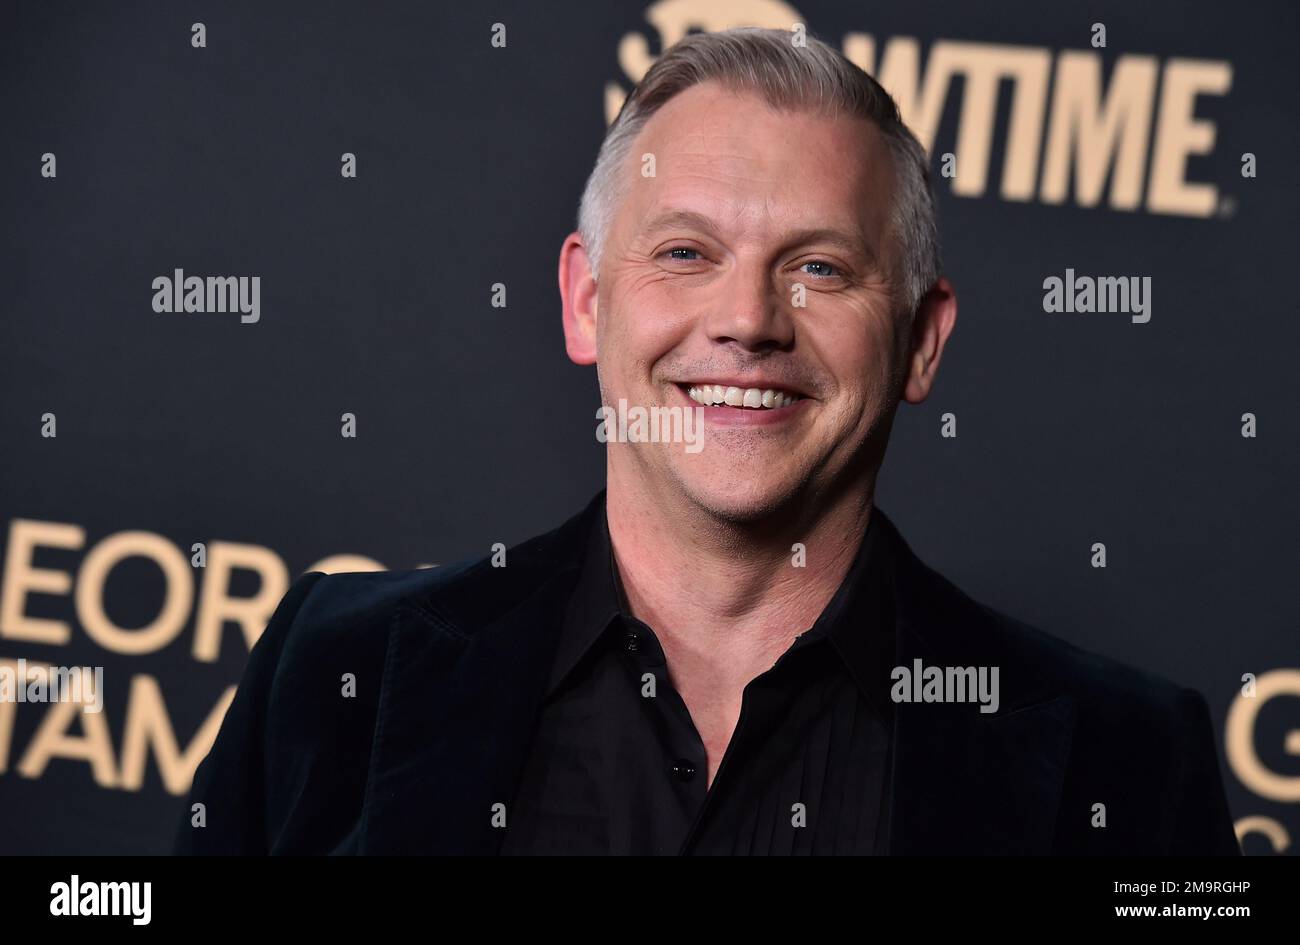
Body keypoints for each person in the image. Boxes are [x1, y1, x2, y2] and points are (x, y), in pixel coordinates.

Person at [174, 26, 1239, 855]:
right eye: (684, 251)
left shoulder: (1129, 763)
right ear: (586, 302)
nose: (747, 320)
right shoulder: (332, 671)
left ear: (919, 343)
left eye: (819, 267)